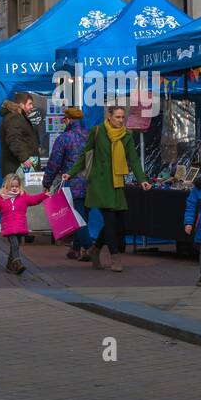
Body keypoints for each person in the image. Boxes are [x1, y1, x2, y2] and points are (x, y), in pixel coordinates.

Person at [63, 104, 151, 273]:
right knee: (110, 222)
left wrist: (142, 180)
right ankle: (115, 258)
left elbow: (132, 159)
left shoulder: (126, 135)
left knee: (119, 224)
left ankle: (95, 249)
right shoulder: (97, 132)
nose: (120, 120)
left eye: (122, 117)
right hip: (100, 184)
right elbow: (85, 155)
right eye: (117, 117)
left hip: (117, 183)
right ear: (109, 117)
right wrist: (71, 173)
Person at [42, 107, 93, 261]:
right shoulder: (90, 135)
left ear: (68, 120)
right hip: (91, 182)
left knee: (77, 217)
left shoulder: (64, 138)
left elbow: (54, 163)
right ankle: (76, 249)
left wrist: (47, 182)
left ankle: (89, 247)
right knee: (83, 215)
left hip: (73, 182)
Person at [0, 173, 48, 275]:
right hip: (9, 226)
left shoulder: (23, 196)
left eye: (16, 186)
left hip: (20, 226)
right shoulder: (1, 198)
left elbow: (33, 200)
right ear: (7, 186)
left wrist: (44, 195)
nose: (15, 188)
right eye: (12, 186)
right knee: (14, 244)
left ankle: (9, 265)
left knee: (15, 246)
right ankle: (17, 263)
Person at [0, 93, 41, 178]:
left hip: (20, 167)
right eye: (29, 104)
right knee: (18, 191)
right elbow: (13, 139)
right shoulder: (14, 117)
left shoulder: (18, 117)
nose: (32, 107)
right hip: (17, 168)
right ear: (21, 105)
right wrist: (24, 158)